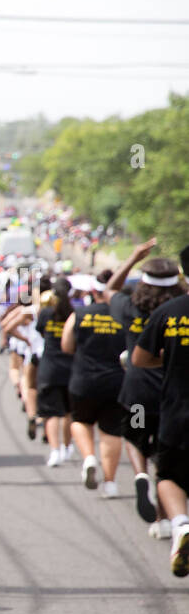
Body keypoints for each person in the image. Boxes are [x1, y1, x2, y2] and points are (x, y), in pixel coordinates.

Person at [108, 242, 176, 526]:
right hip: (170, 395)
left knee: (135, 437)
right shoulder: (179, 310)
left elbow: (110, 289)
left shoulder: (129, 307)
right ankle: (162, 519)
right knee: (163, 454)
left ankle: (139, 475)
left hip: (137, 393)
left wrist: (134, 257)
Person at [132, 284, 189, 575]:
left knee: (168, 474)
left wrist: (169, 359)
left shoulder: (169, 312)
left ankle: (180, 524)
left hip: (175, 411)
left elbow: (139, 359)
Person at [62, 274, 126, 497]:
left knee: (80, 421)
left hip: (84, 381)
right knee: (111, 432)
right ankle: (110, 483)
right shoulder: (126, 317)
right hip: (116, 382)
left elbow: (67, 346)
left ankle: (89, 457)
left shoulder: (79, 314)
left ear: (93, 292)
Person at [34, 285, 76, 467]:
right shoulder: (74, 313)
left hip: (50, 367)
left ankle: (55, 450)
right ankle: (67, 447)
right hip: (71, 366)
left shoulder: (46, 314)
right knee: (68, 412)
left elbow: (41, 332)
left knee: (51, 414)